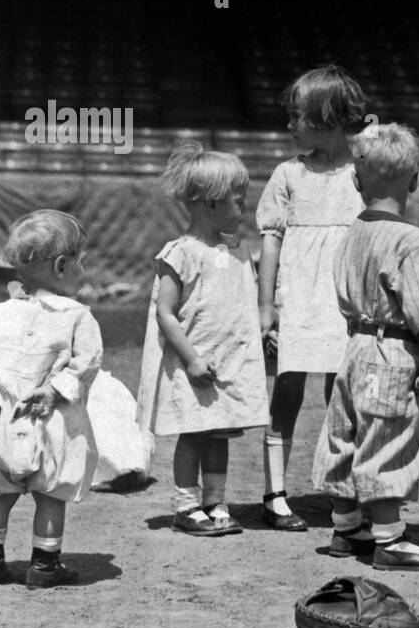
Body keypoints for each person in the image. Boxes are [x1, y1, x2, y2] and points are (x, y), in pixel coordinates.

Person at [313, 123, 419, 570]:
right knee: (388, 438)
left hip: (355, 346)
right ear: (414, 181)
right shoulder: (408, 238)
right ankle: (390, 541)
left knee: (346, 433)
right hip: (394, 349)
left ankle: (346, 526)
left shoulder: (354, 228)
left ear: (357, 180)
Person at [0, 210, 102, 588]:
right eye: (79, 260)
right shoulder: (77, 316)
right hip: (51, 421)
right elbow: (87, 362)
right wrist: (55, 389)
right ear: (61, 265)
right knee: (51, 493)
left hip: (3, 420)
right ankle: (43, 565)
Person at [256, 65, 372, 530]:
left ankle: (340, 489)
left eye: (297, 117)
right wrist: (266, 305)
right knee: (287, 390)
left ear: (326, 118)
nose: (289, 126)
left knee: (342, 395)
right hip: (298, 299)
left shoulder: (363, 173)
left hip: (345, 299)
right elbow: (271, 242)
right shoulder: (288, 174)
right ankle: (274, 494)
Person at [137, 141, 269, 536]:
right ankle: (186, 504)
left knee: (219, 432)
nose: (243, 207)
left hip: (225, 362)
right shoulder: (180, 253)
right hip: (192, 363)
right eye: (238, 199)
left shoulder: (240, 250)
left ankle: (215, 499)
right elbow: (165, 312)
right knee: (193, 434)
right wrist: (192, 359)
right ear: (211, 203)